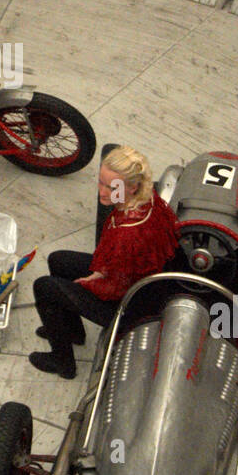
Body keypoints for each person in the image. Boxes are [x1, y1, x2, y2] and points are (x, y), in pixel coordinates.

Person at [29, 146, 179, 379]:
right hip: (140, 279)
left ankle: (63, 363)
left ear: (132, 186)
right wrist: (100, 271)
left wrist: (89, 281)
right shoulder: (147, 198)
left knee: (45, 287)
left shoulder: (127, 234)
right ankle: (71, 332)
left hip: (131, 307)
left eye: (112, 187)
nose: (102, 192)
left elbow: (113, 287)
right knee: (58, 260)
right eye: (101, 182)